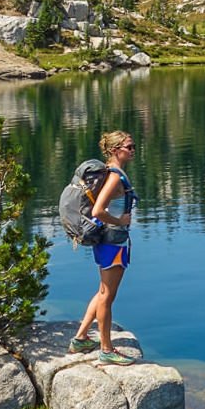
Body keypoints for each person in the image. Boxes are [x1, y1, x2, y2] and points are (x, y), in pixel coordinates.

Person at [68, 130, 138, 365]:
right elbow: (98, 210)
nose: (133, 150)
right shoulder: (115, 176)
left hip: (109, 241)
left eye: (133, 146)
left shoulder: (112, 173)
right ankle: (106, 349)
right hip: (113, 242)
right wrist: (121, 221)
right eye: (129, 147)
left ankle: (80, 338)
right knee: (108, 297)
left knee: (102, 292)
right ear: (115, 150)